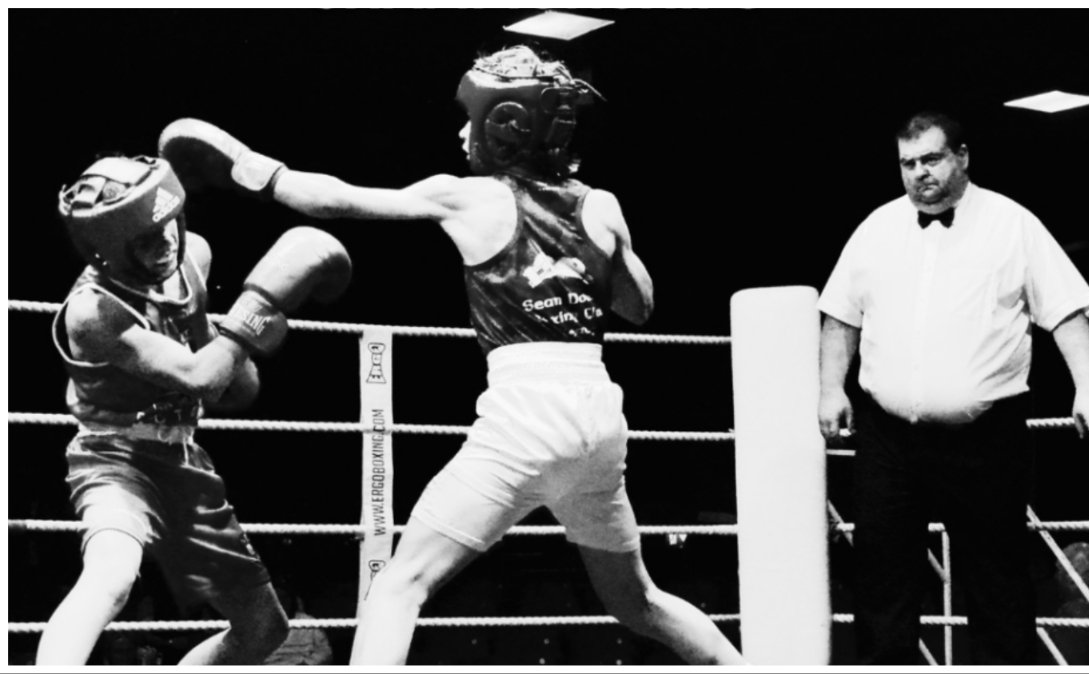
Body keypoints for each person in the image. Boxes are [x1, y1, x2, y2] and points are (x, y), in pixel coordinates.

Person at [157, 45, 745, 666]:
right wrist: (591, 255)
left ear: (507, 125)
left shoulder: (468, 196)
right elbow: (638, 307)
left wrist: (245, 166)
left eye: (473, 118)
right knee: (637, 601)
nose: (463, 132)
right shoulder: (600, 204)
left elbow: (334, 200)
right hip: (599, 418)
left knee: (400, 586)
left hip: (528, 413)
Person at [815, 111, 1089, 664]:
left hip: (986, 437)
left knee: (997, 582)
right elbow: (840, 316)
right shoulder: (876, 228)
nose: (919, 173)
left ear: (962, 156)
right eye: (908, 163)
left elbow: (1065, 310)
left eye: (931, 159)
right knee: (882, 580)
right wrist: (830, 388)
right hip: (887, 438)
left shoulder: (1012, 223)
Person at [38, 154, 352, 665]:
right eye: (145, 240)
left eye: (169, 224)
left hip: (184, 462)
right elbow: (201, 377)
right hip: (115, 458)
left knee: (264, 629)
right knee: (111, 577)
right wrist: (258, 307)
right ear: (108, 250)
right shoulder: (93, 311)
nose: (165, 243)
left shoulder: (194, 256)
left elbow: (233, 388)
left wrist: (243, 334)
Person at [263, 582, 335, 665]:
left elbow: (326, 652)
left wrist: (307, 664)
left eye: (284, 598)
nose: (281, 602)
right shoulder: (259, 624)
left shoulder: (308, 622)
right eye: (276, 598)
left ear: (292, 600)